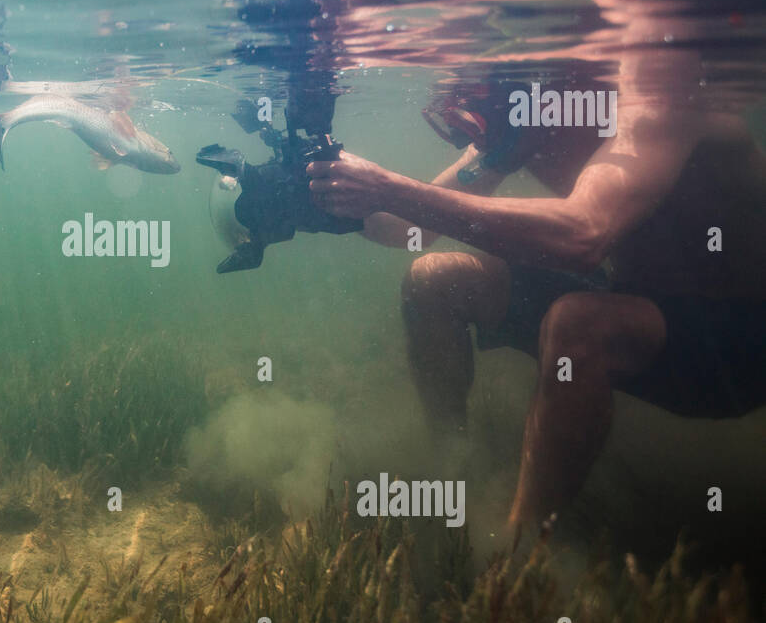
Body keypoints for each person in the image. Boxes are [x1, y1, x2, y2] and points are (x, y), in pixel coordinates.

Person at [307, 72, 766, 529]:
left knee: (578, 324)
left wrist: (387, 186)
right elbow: (410, 230)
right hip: (645, 310)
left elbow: (583, 233)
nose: (476, 124)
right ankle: (454, 468)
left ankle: (523, 557)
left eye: (484, 104)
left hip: (739, 345)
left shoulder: (657, 105)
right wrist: (322, 202)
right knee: (433, 279)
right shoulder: (521, 128)